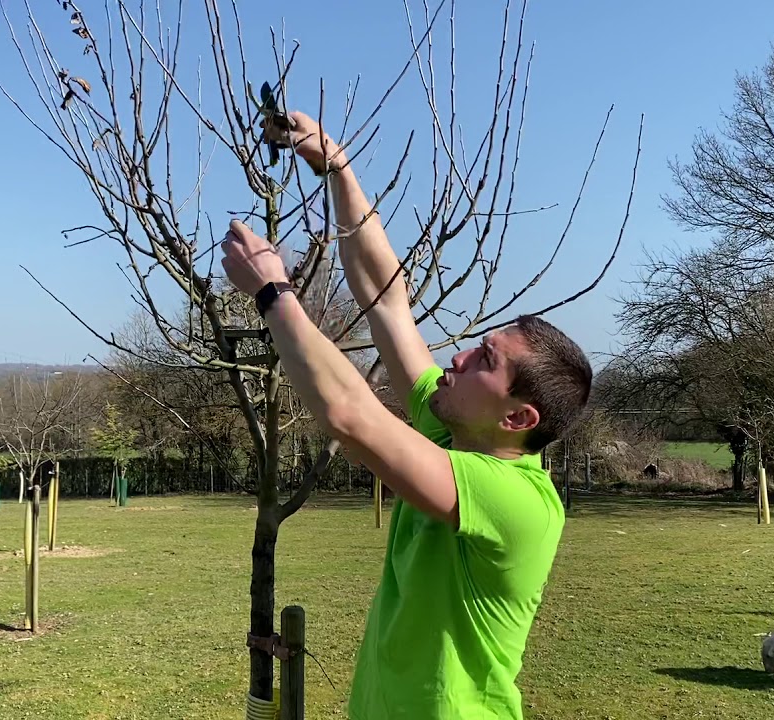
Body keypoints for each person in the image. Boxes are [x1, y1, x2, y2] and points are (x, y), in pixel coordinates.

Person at [219, 108, 593, 720]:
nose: (459, 354)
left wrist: (272, 293)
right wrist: (335, 164)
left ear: (518, 418)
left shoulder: (518, 500)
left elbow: (351, 416)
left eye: (484, 360)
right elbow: (386, 300)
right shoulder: (451, 429)